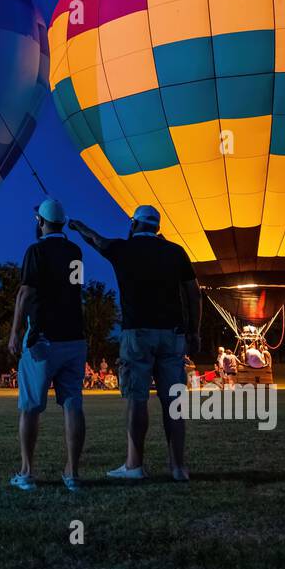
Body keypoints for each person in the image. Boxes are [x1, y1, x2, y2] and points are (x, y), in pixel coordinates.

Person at [70, 204, 199, 483]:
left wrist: (78, 226)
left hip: (137, 333)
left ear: (133, 224)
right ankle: (178, 468)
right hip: (173, 334)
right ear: (157, 227)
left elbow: (97, 240)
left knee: (136, 399)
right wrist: (194, 332)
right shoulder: (175, 252)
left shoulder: (123, 249)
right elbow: (193, 293)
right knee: (173, 403)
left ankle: (134, 465)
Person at [9, 198, 87, 492]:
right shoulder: (75, 251)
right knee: (72, 405)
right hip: (74, 338)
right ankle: (73, 473)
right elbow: (77, 293)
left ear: (40, 222)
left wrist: (15, 332)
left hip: (43, 339)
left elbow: (25, 293)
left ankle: (27, 473)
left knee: (30, 407)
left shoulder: (35, 251)